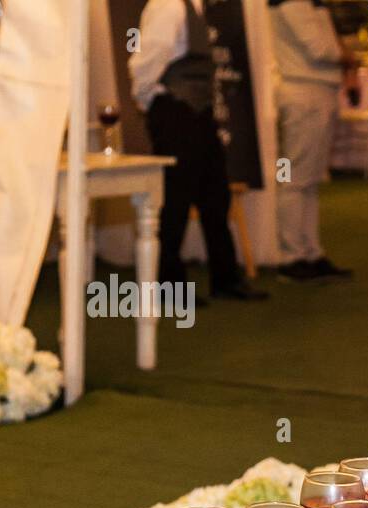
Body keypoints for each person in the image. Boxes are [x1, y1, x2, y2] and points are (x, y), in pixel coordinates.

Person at [128, 0, 267, 302]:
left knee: (216, 195)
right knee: (176, 198)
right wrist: (149, 100)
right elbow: (146, 60)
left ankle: (226, 278)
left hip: (199, 112)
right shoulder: (167, 6)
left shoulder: (196, 8)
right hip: (174, 108)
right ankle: (169, 286)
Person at [269, 0, 354, 281]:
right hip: (303, 91)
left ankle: (310, 252)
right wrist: (347, 55)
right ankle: (291, 256)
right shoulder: (292, 3)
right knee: (296, 179)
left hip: (315, 90)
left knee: (310, 179)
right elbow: (319, 47)